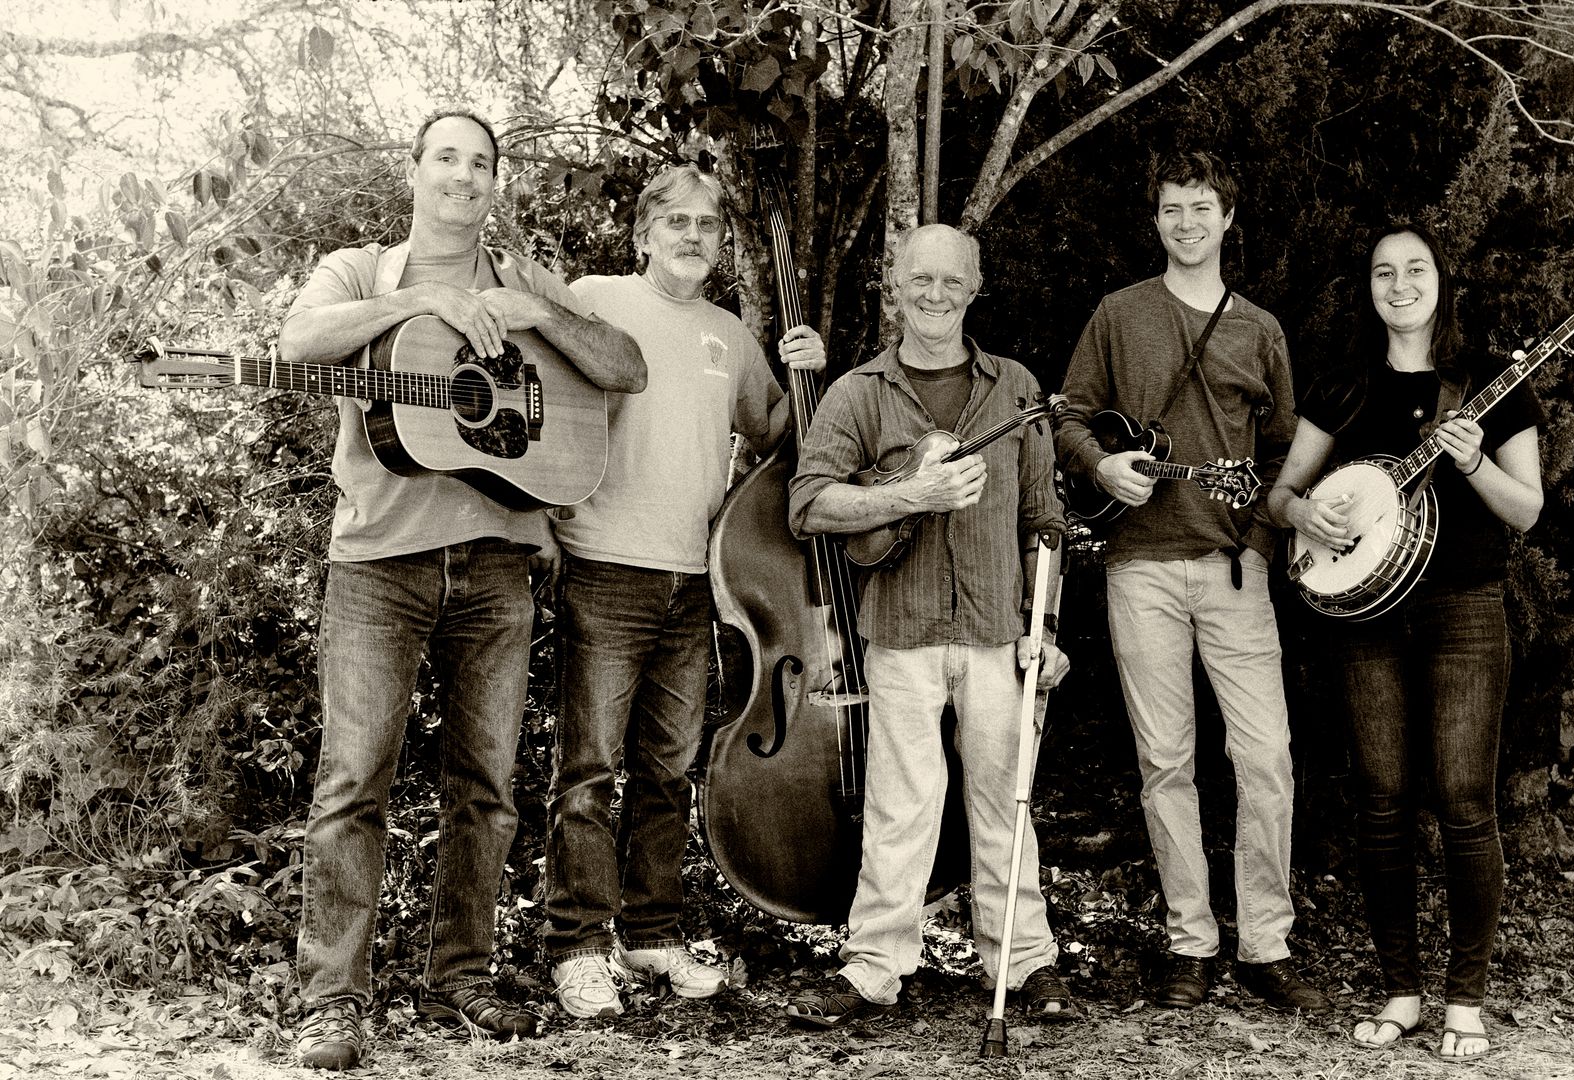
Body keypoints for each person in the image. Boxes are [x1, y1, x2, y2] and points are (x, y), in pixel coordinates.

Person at [280, 108, 648, 1071]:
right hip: (378, 565)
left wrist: (538, 316)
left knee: (485, 787)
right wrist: (416, 310)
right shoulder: (362, 269)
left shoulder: (520, 275)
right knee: (355, 782)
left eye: (480, 163)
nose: (463, 175)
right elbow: (297, 339)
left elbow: (624, 367)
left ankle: (462, 974)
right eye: (446, 158)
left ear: (493, 183)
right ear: (414, 171)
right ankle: (332, 998)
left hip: (496, 567)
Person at [542, 163, 826, 1019]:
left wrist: (807, 370)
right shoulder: (595, 298)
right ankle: (579, 947)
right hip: (603, 563)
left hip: (695, 578)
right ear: (644, 233)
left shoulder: (732, 335)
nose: (694, 236)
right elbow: (537, 404)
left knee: (669, 770)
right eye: (678, 222)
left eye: (708, 225)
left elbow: (779, 437)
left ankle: (653, 934)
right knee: (588, 769)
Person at [780, 223, 1079, 1027]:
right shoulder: (858, 392)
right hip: (901, 631)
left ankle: (1022, 962)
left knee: (1003, 802)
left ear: (975, 288)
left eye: (953, 281)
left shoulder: (1015, 388)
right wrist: (909, 496)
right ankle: (876, 965)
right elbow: (809, 503)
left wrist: (1044, 627)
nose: (936, 295)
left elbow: (1042, 518)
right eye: (921, 280)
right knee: (900, 805)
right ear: (895, 286)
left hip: (995, 630)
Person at [1054, 150, 1327, 1012]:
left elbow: (1285, 453)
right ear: (1157, 220)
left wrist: (1270, 526)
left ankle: (1266, 944)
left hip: (1236, 568)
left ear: (1227, 217)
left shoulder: (1260, 329)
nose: (1186, 222)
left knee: (1266, 760)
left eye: (1201, 206)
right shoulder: (1117, 314)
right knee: (1165, 761)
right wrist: (1101, 469)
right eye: (1171, 208)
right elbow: (1064, 418)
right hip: (1140, 567)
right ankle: (1189, 941)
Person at [1268, 223, 1542, 1062]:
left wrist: (1471, 465)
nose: (1399, 283)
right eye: (1383, 271)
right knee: (1381, 800)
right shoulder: (1345, 387)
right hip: (1368, 618)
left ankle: (1465, 1001)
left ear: (1440, 282)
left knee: (1465, 801)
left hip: (1464, 607)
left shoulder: (1491, 383)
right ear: (1371, 289)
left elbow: (1526, 509)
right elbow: (1282, 494)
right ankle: (1402, 990)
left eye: (1414, 268)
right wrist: (1304, 512)